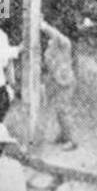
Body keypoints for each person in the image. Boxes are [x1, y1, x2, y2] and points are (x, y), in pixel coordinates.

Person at [40, 19, 78, 150]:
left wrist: (44, 26)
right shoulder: (51, 46)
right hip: (57, 80)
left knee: (63, 109)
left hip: (66, 81)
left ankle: (72, 140)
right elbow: (49, 64)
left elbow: (55, 35)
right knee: (59, 109)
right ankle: (63, 135)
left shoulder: (64, 42)